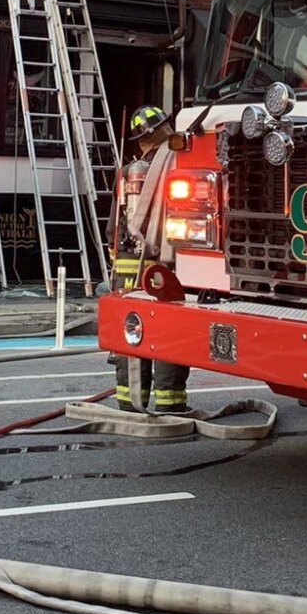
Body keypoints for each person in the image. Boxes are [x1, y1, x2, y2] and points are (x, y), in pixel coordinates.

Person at [108, 104, 190, 416]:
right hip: (166, 263)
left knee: (132, 331)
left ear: (142, 140)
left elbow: (113, 225)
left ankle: (130, 400)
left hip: (128, 265)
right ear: (160, 131)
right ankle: (171, 402)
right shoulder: (179, 162)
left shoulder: (129, 172)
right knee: (168, 330)